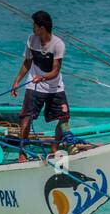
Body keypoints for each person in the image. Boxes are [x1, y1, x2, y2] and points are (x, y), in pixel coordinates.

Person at [10, 9, 70, 161]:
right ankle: (22, 152)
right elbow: (27, 62)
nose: (32, 28)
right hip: (33, 85)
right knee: (25, 118)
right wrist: (17, 81)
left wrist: (42, 77)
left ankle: (55, 148)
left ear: (41, 28)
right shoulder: (31, 40)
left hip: (54, 87)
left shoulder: (58, 44)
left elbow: (56, 71)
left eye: (34, 25)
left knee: (64, 118)